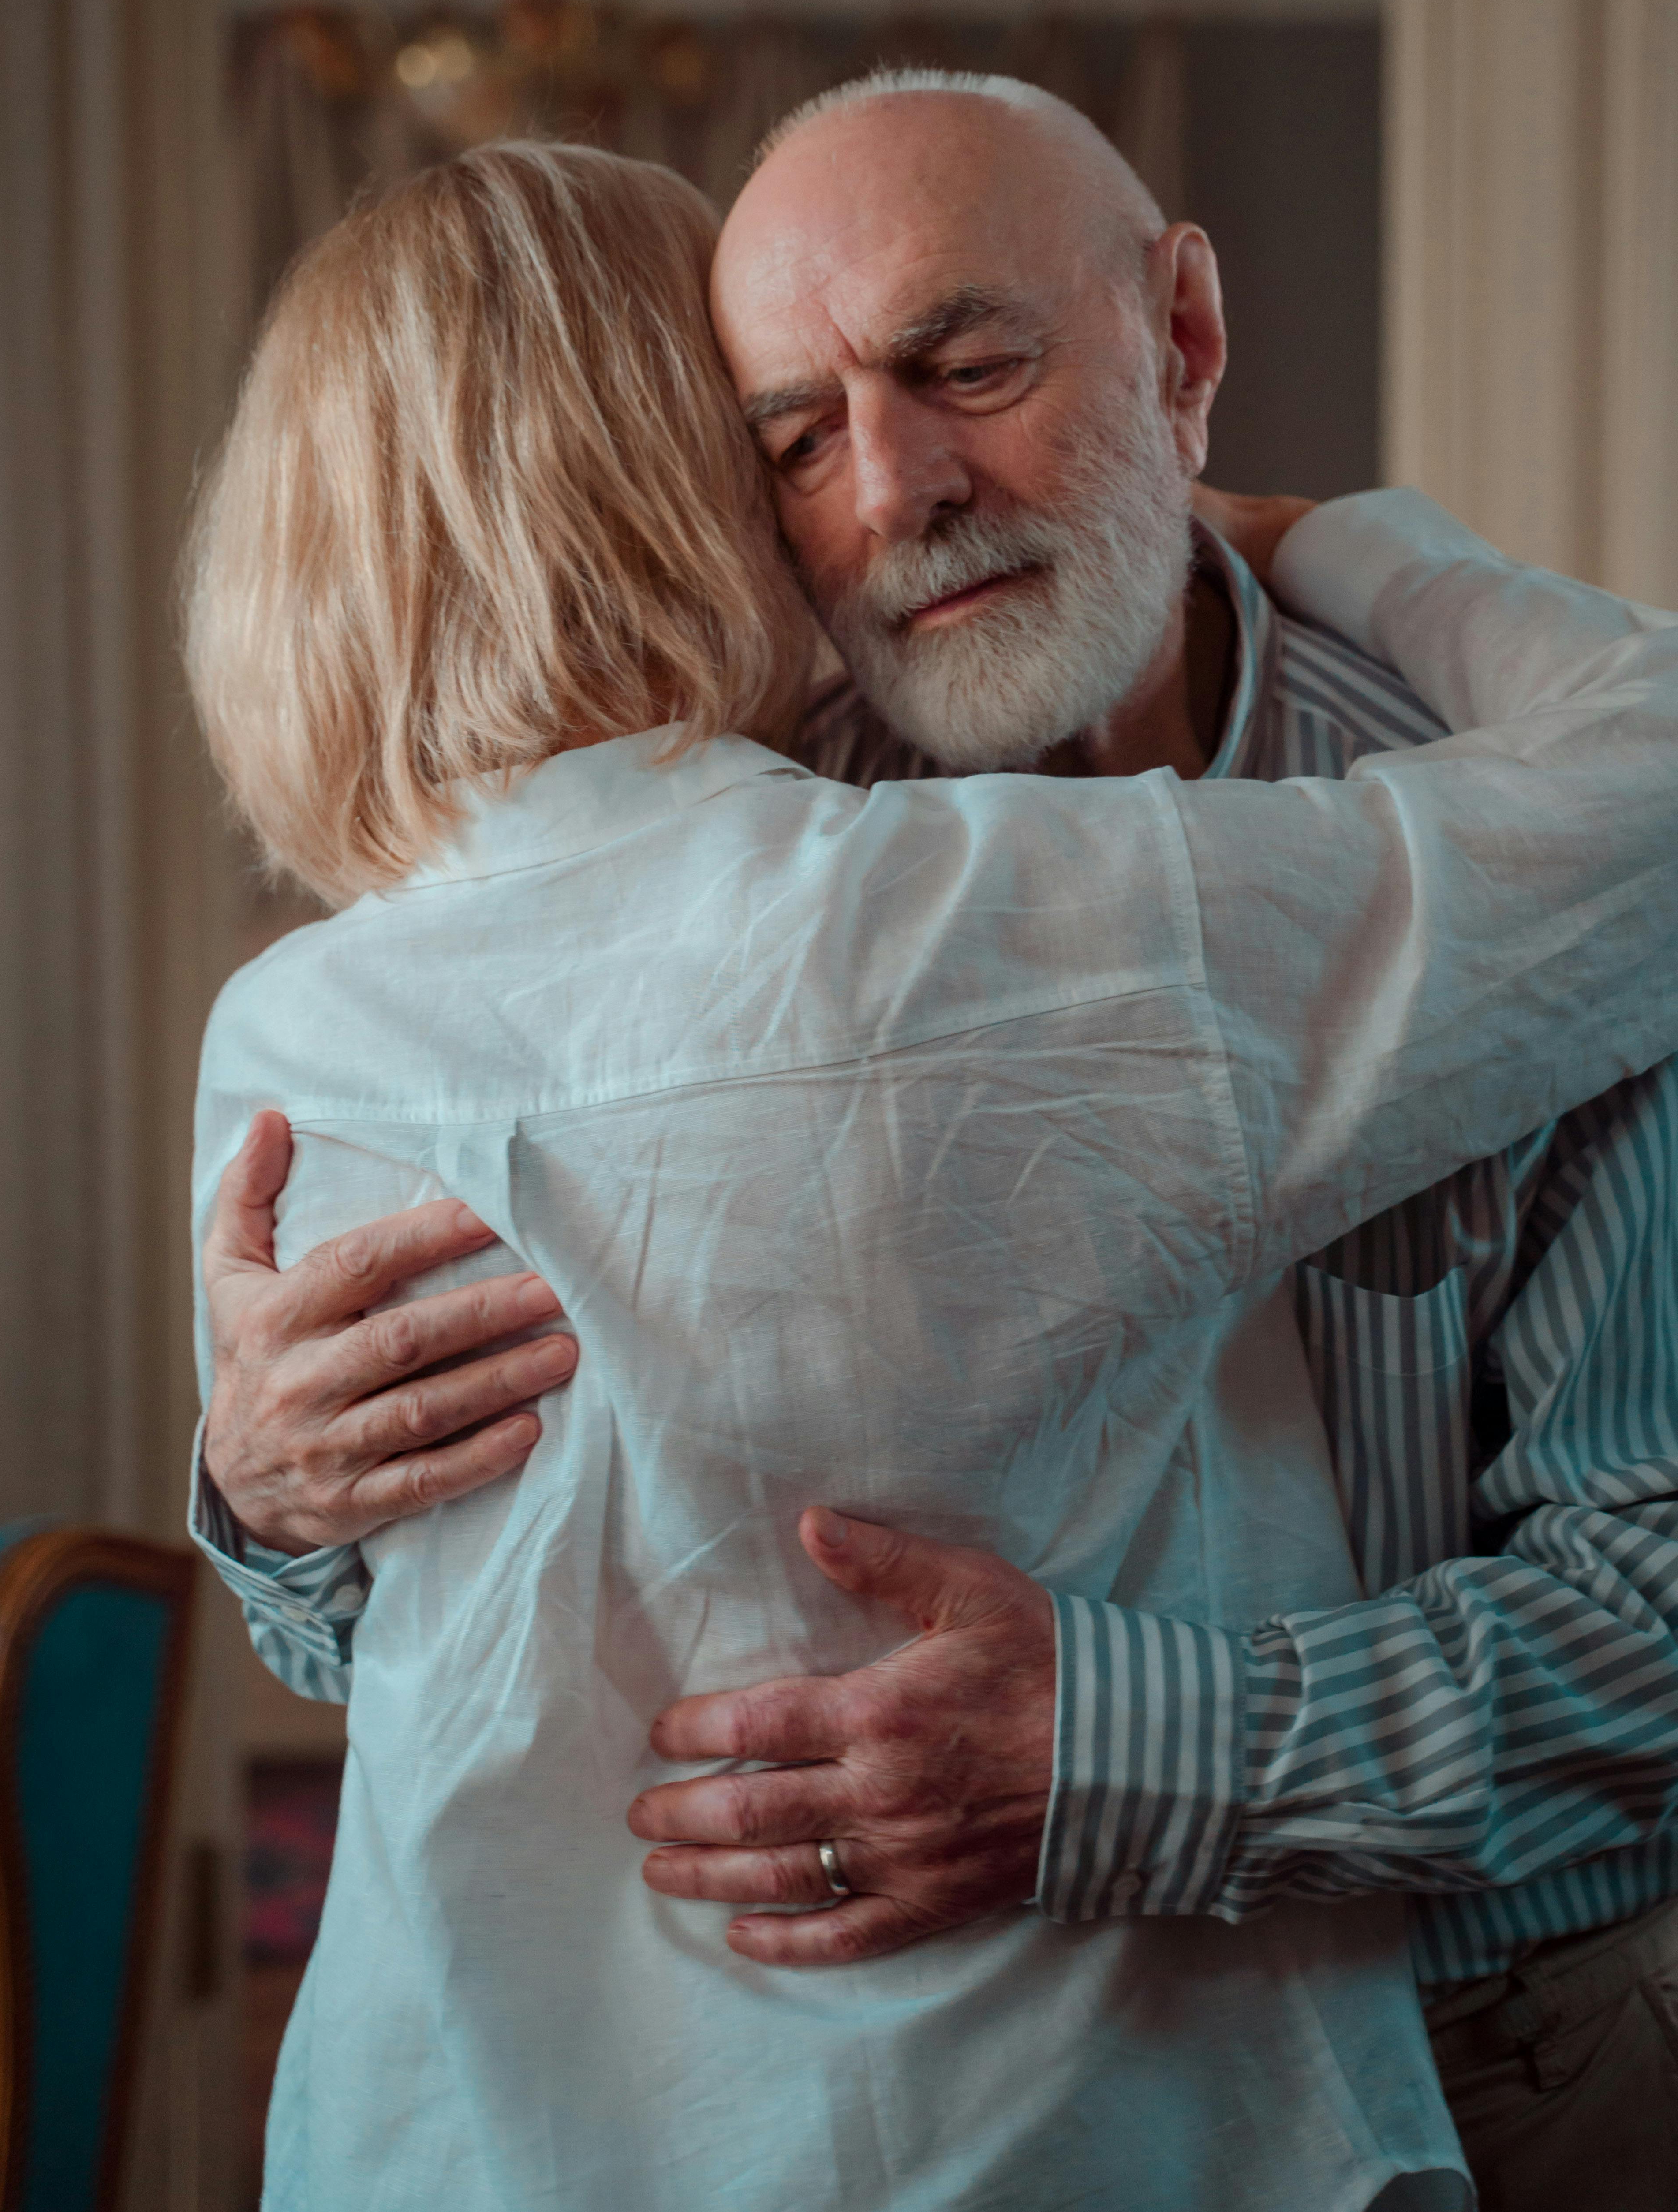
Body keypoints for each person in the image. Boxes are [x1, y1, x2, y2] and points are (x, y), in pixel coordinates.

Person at [187, 118, 1678, 2208]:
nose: (894, 486)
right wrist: (271, 1501)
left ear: (1179, 336)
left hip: (1490, 2044)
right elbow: (454, 1627)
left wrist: (1137, 1750)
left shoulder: (1534, 865)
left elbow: (1664, 1604)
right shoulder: (747, 870)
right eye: (789, 431)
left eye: (966, 366)